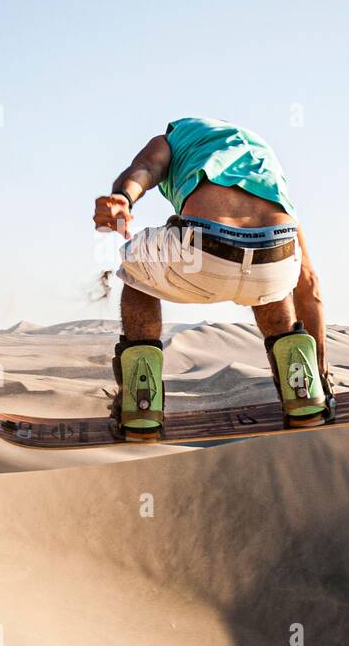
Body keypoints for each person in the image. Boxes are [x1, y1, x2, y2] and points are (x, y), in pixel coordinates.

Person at [92, 117, 332, 439]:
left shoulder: (173, 139)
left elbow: (147, 167)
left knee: (137, 265)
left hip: (207, 247)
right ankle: (304, 395)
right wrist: (321, 373)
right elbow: (309, 283)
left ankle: (141, 407)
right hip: (278, 248)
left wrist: (124, 196)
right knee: (272, 288)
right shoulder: (268, 173)